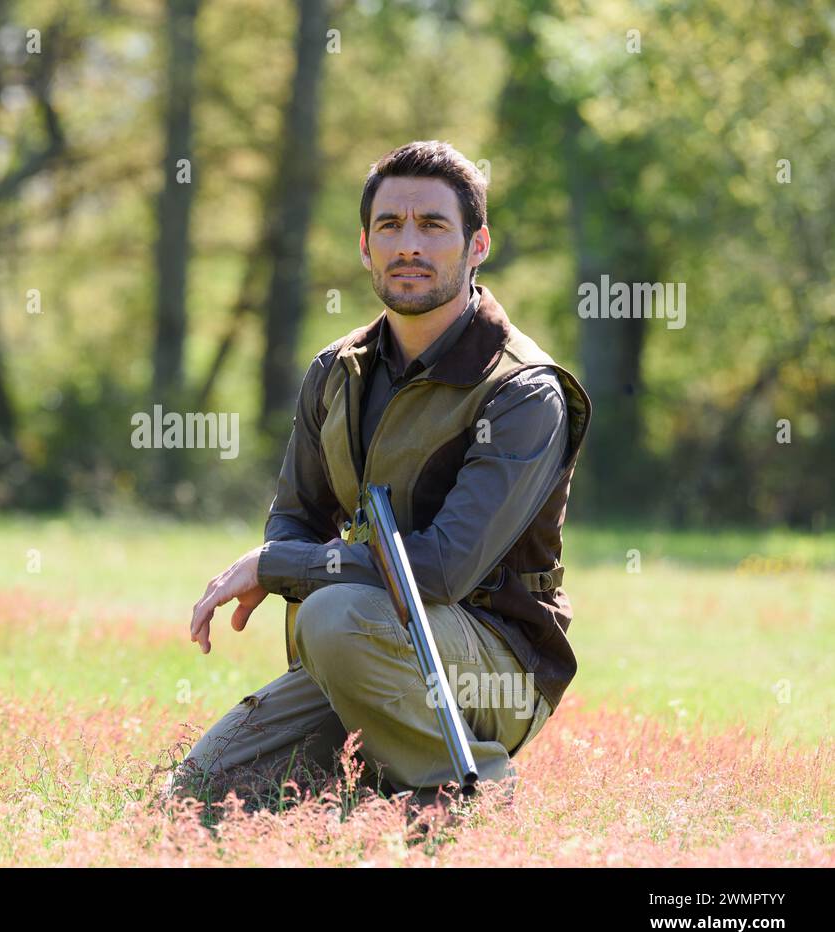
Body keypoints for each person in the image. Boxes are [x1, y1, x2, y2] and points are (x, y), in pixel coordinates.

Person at [173, 141, 592, 808]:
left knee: (334, 610)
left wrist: (282, 566)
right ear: (366, 246)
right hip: (364, 647)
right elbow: (295, 515)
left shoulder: (523, 391)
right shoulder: (334, 370)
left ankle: (472, 789)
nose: (409, 245)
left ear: (477, 244)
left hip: (496, 666)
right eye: (390, 226)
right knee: (196, 795)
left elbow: (441, 569)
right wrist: (286, 556)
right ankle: (377, 780)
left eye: (433, 225)